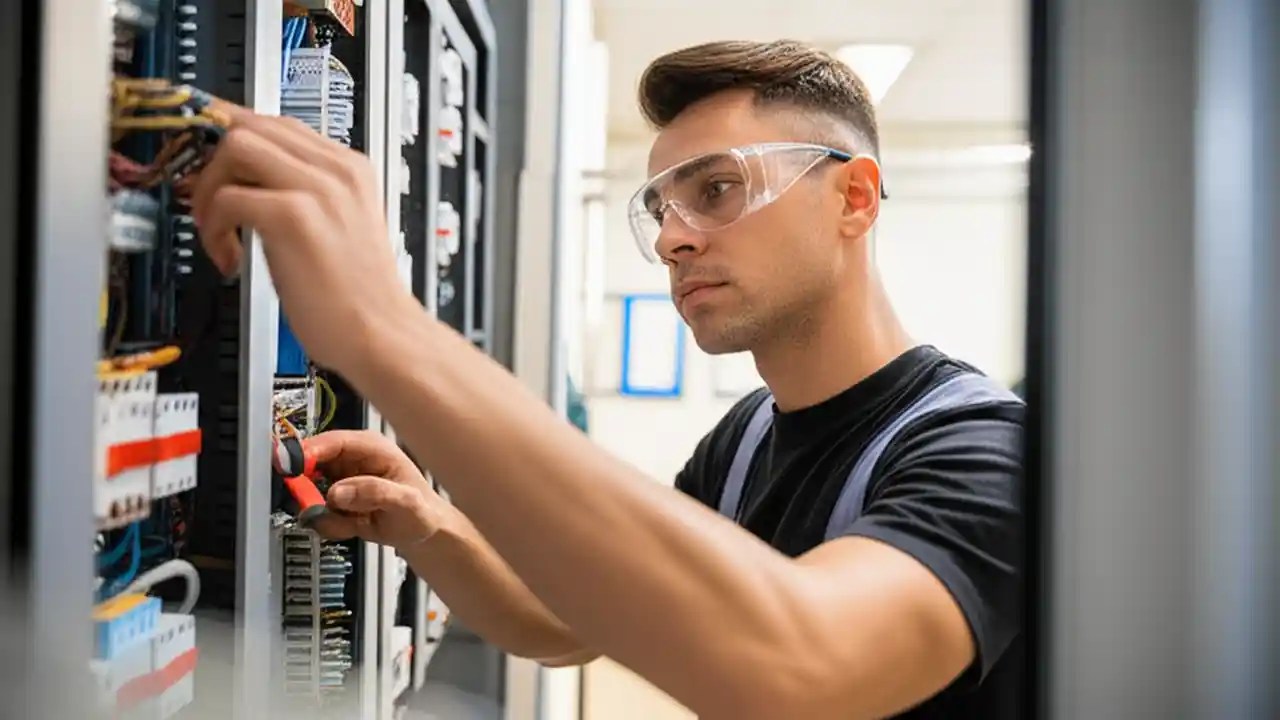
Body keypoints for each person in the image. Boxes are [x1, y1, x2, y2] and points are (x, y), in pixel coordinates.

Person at [193, 39, 1025, 720]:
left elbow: (807, 664)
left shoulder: (989, 453)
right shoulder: (747, 439)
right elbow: (572, 621)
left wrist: (384, 329)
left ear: (855, 197)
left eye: (718, 189)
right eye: (662, 209)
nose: (673, 240)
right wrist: (429, 526)